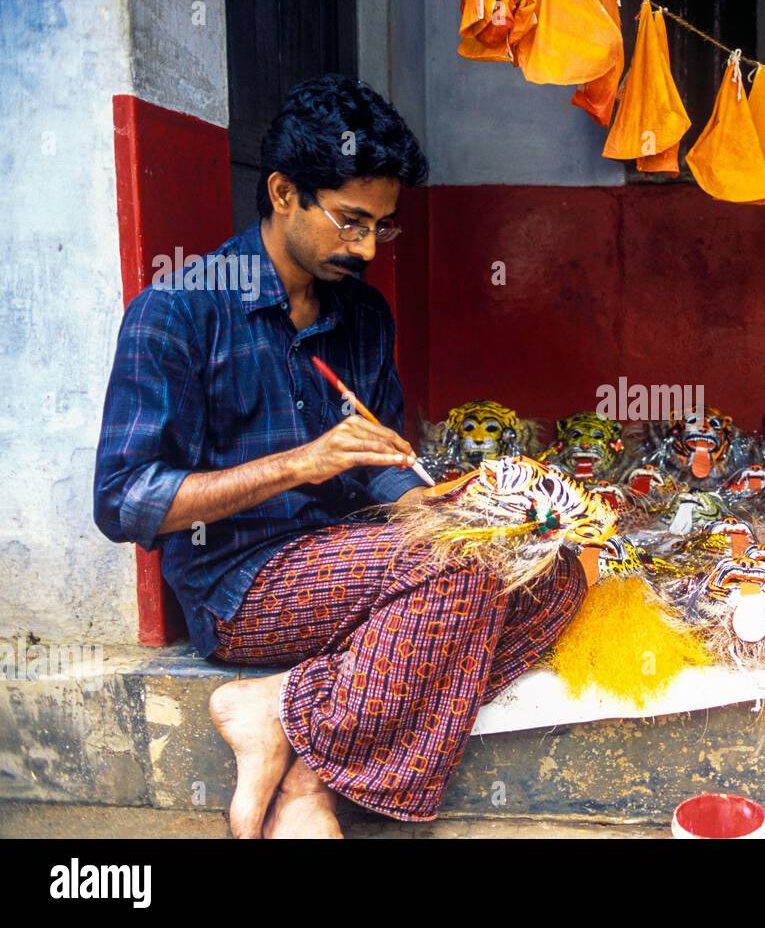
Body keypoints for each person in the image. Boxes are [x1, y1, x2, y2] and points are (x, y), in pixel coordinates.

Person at [93, 75, 588, 838]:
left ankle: (284, 708)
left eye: (380, 227)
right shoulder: (179, 311)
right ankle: (315, 794)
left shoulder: (362, 315)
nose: (364, 247)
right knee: (457, 573)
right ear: (284, 192)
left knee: (558, 566)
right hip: (240, 581)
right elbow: (125, 501)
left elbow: (380, 462)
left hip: (357, 559)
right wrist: (298, 463)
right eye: (350, 220)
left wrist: (445, 502)